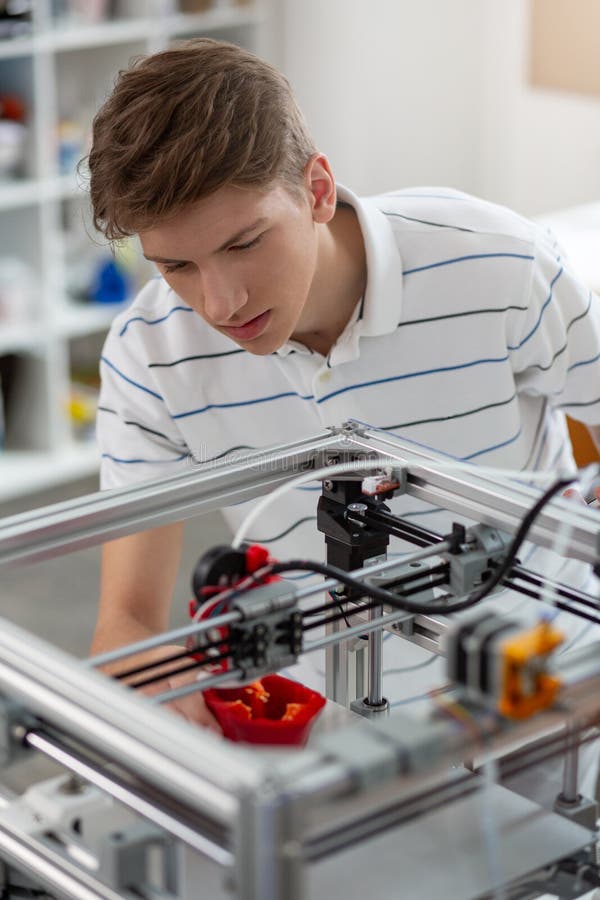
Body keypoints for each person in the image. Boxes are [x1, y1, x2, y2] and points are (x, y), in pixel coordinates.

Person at [88, 38, 600, 777]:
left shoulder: (499, 264)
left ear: (318, 190)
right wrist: (152, 679)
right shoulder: (149, 354)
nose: (220, 302)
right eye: (176, 266)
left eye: (244, 243)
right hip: (340, 739)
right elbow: (124, 619)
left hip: (547, 698)